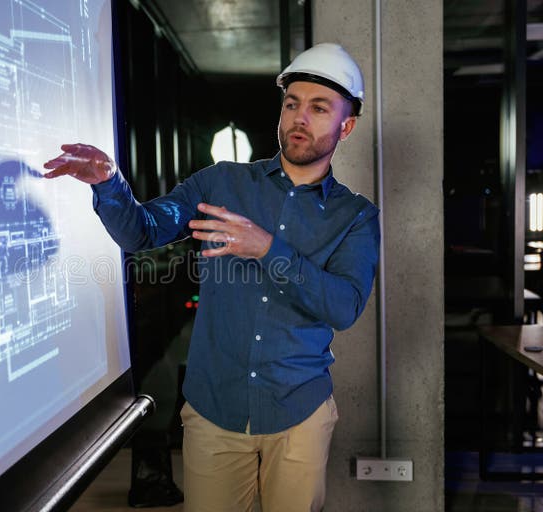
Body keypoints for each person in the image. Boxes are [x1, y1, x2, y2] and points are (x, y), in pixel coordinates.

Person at [44, 43, 380, 512]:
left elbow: (343, 307)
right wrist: (109, 183)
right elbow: (143, 230)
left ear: (346, 126)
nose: (299, 118)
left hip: (299, 412)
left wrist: (266, 248)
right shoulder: (221, 182)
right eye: (292, 104)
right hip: (213, 411)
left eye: (319, 108)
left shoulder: (356, 216)